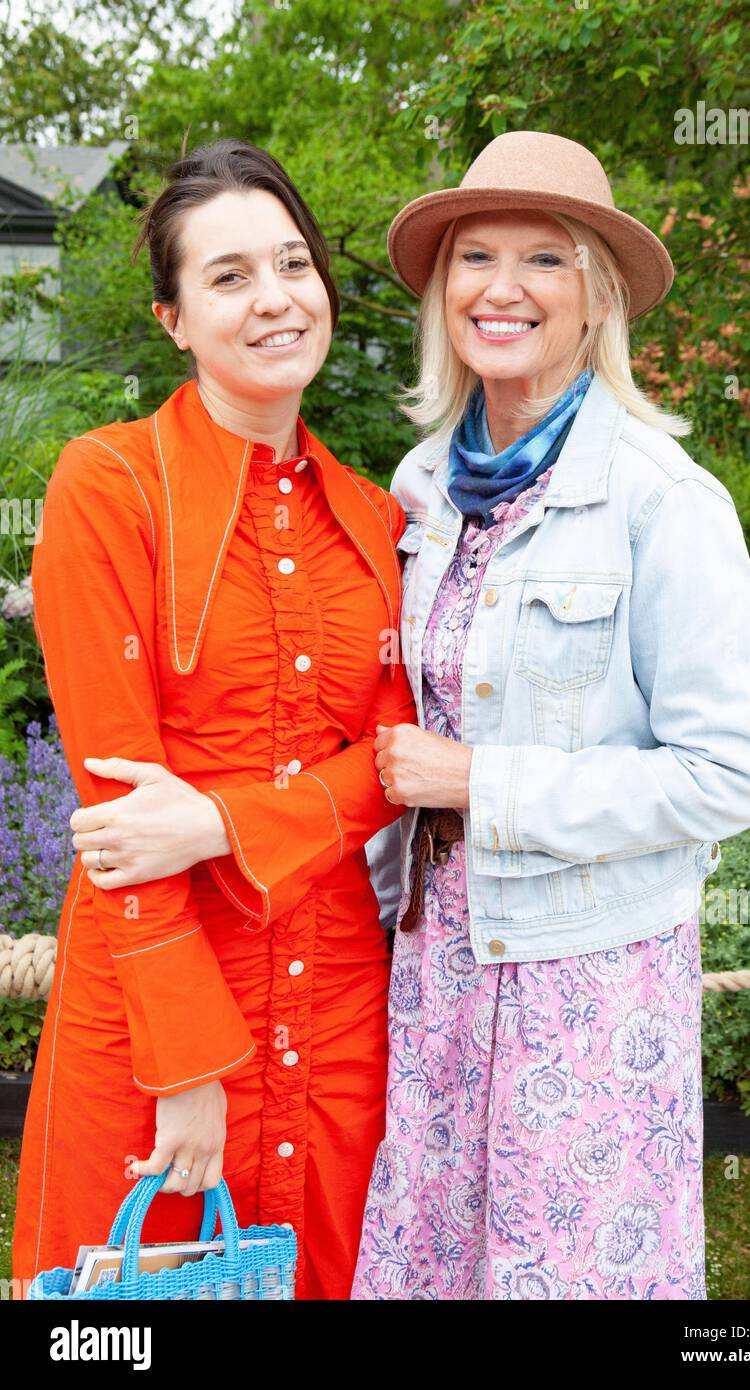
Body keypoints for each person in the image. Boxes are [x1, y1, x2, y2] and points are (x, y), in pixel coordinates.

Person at [350, 130, 750, 1300]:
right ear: (442, 294)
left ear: (594, 295)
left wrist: (477, 780)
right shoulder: (421, 487)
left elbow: (725, 775)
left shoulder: (662, 501)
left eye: (542, 258)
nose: (501, 287)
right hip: (438, 961)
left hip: (583, 987)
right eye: (473, 256)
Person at [12, 137, 420, 1301]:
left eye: (292, 262)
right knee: (121, 1309)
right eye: (228, 276)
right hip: (154, 1004)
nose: (274, 297)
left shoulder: (372, 518)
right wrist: (187, 1063)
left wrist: (222, 822)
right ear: (173, 319)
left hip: (337, 1002)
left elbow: (389, 763)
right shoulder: (108, 486)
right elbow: (119, 805)